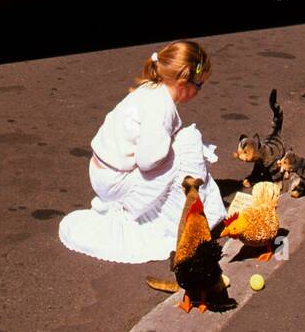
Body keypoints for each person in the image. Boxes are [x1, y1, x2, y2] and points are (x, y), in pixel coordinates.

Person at [59, 40, 225, 263]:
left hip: (101, 172)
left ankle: (174, 211)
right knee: (188, 143)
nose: (199, 91)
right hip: (115, 183)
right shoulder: (162, 106)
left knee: (180, 145)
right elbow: (148, 160)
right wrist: (174, 146)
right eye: (199, 85)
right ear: (184, 82)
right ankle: (164, 217)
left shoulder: (152, 88)